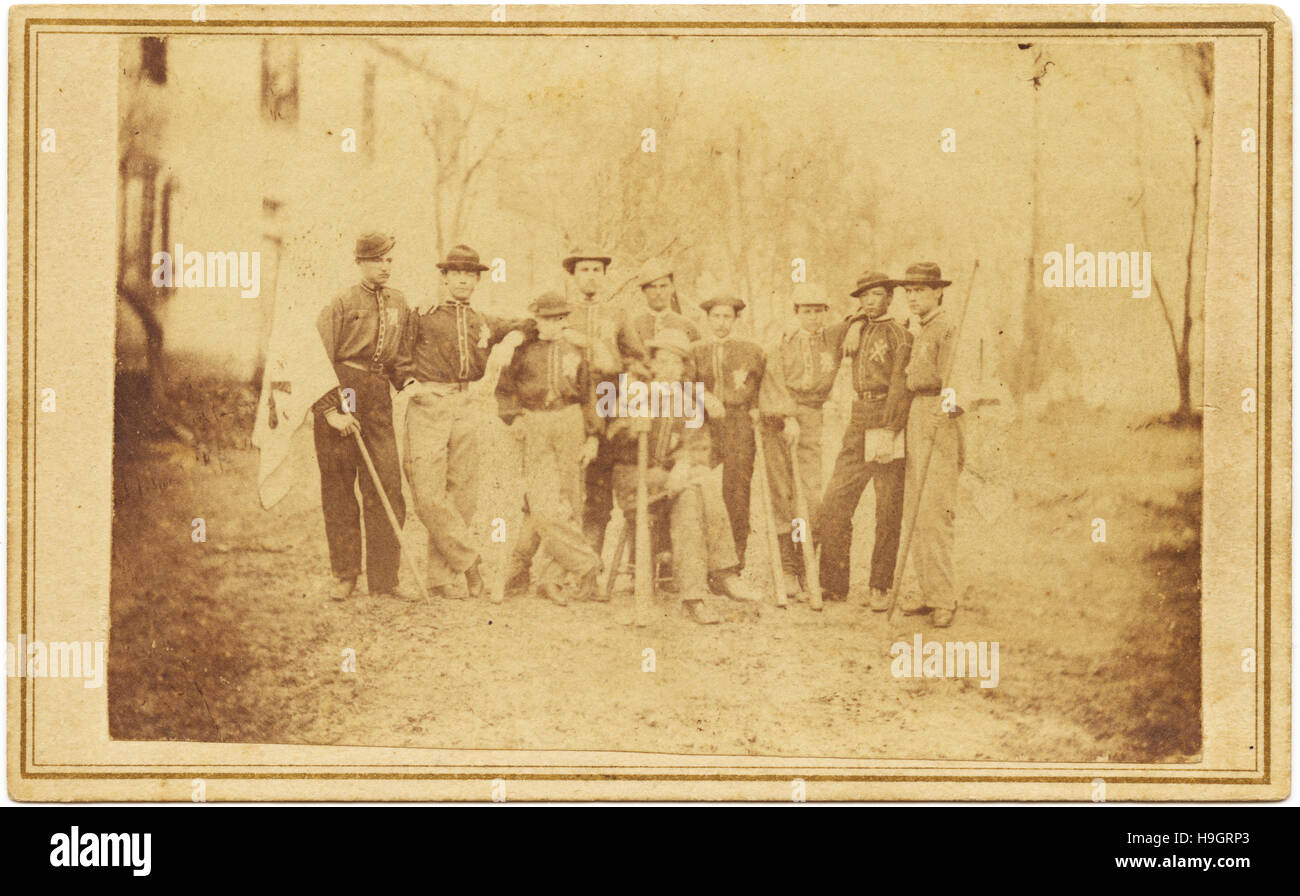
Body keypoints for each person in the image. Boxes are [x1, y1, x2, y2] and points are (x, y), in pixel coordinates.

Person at [395, 244, 534, 600]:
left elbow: (529, 323)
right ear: (444, 278)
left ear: (476, 280)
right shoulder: (421, 314)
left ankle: (441, 578)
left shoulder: (481, 320)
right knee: (427, 494)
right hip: (429, 403)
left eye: (470, 274)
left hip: (468, 404)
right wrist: (411, 386)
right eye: (455, 273)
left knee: (463, 495)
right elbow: (398, 356)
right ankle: (471, 563)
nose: (462, 279)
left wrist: (512, 339)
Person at [607, 330, 758, 624]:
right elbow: (610, 437)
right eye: (662, 362)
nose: (667, 369)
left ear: (683, 369)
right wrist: (630, 426)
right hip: (635, 480)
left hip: (674, 483)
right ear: (652, 364)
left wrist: (682, 465)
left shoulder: (686, 399)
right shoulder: (633, 391)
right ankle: (724, 573)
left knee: (691, 494)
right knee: (698, 486)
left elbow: (698, 444)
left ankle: (695, 597)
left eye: (675, 364)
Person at [311, 231, 411, 602]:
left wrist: (409, 383)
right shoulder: (340, 302)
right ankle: (345, 574)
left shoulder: (399, 302)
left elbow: (400, 357)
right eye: (377, 260)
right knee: (339, 487)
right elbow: (316, 360)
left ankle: (385, 579)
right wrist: (330, 411)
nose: (385, 267)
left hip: (378, 396)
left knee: (387, 485)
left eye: (389, 260)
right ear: (360, 263)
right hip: (342, 389)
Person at [495, 292, 603, 605]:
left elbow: (589, 395)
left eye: (559, 318)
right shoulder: (523, 348)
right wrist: (513, 418)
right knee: (542, 505)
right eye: (547, 318)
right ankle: (587, 563)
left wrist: (593, 436)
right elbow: (505, 389)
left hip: (570, 420)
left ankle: (551, 578)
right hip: (535, 421)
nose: (554, 324)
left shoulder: (577, 350)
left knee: (570, 501)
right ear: (537, 319)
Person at [817, 271, 912, 609]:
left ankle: (880, 586)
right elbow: (828, 331)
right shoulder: (855, 328)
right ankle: (833, 583)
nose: (870, 302)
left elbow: (901, 386)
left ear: (889, 297)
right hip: (859, 418)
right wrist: (856, 322)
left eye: (876, 295)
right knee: (835, 501)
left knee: (887, 509)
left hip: (887, 417)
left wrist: (890, 430)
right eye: (864, 297)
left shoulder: (901, 334)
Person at [757, 282, 851, 600]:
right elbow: (772, 382)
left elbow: (859, 318)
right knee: (781, 492)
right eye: (806, 311)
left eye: (818, 311)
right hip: (778, 420)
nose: (812, 317)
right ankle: (786, 569)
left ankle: (803, 562)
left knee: (808, 496)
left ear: (826, 313)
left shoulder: (834, 339)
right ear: (796, 313)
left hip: (811, 417)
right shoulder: (781, 345)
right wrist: (786, 417)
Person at [897, 262, 962, 627]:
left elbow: (958, 375)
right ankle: (927, 592)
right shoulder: (919, 328)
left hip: (940, 412)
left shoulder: (948, 327)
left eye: (920, 290)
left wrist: (948, 409)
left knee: (935, 508)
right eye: (909, 291)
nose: (912, 296)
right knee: (916, 509)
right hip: (916, 411)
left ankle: (943, 598)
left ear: (938, 291)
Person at [557, 247, 623, 554]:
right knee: (560, 485)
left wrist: (625, 370)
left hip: (607, 402)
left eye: (597, 270)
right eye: (584, 270)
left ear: (605, 275)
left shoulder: (617, 314)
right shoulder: (560, 312)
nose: (591, 276)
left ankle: (590, 561)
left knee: (599, 488)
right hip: (568, 404)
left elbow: (636, 358)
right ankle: (548, 560)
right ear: (573, 276)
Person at [691, 294, 765, 566]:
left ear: (736, 319)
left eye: (727, 317)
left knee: (737, 489)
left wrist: (755, 408)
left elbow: (760, 386)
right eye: (716, 317)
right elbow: (683, 381)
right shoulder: (695, 350)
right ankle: (699, 553)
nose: (721, 323)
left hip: (738, 422)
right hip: (703, 422)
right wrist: (703, 395)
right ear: (707, 319)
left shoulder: (751, 350)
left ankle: (735, 556)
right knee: (697, 484)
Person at [617, 258, 700, 372]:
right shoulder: (632, 325)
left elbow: (694, 367)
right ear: (643, 291)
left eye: (663, 286)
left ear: (672, 288)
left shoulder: (688, 326)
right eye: (652, 287)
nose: (658, 292)